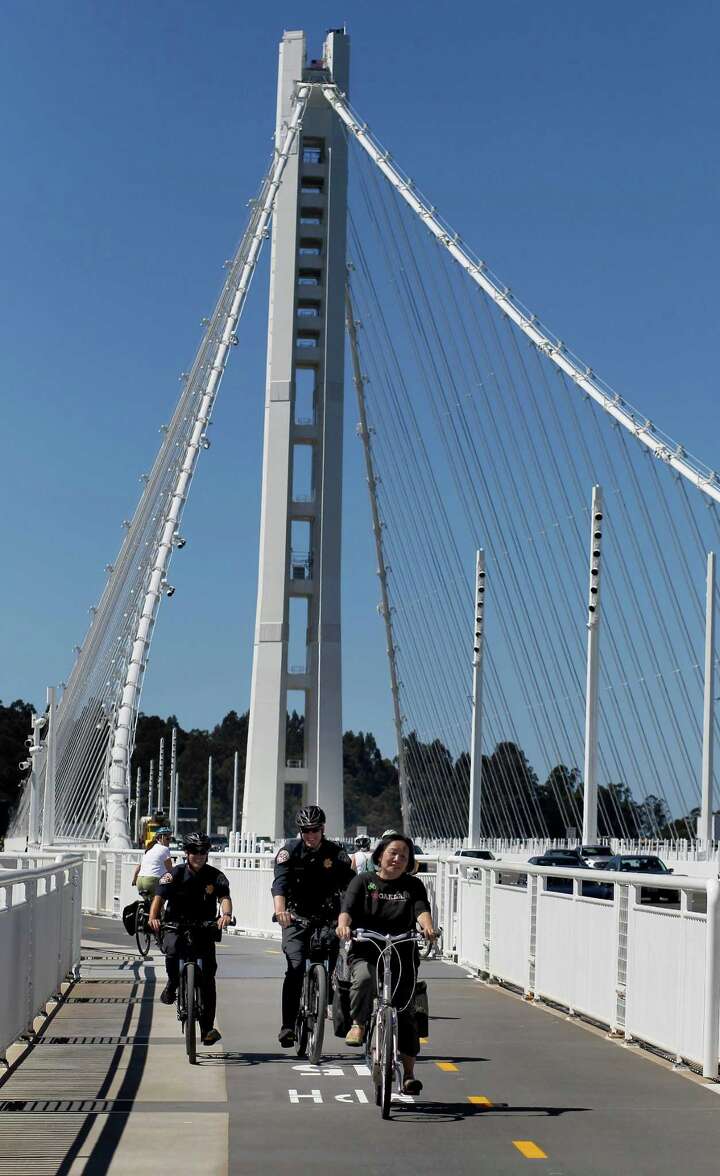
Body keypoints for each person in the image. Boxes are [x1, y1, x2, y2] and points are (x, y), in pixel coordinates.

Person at [337, 833, 437, 1096]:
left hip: (402, 951)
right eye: (393, 853)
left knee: (405, 1012)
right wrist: (344, 925)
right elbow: (347, 909)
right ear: (379, 855)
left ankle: (410, 1074)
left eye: (404, 856)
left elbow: (421, 910)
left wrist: (427, 928)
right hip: (367, 948)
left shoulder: (412, 885)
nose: (398, 859)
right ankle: (358, 1024)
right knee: (366, 979)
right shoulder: (363, 881)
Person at [272, 805, 355, 1047]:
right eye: (306, 830)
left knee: (330, 963)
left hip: (328, 918)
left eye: (315, 830)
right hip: (295, 917)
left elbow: (350, 889)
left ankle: (326, 1002)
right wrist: (280, 911)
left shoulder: (337, 854)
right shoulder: (288, 852)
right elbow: (279, 885)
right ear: (300, 831)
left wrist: (348, 916)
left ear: (323, 829)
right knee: (295, 967)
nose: (311, 835)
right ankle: (288, 1026)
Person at [149, 832, 233, 1047]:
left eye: (203, 851)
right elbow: (159, 896)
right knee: (172, 950)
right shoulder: (174, 874)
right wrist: (153, 918)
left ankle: (207, 1029)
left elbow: (224, 897)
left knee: (207, 980)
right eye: (194, 851)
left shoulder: (216, 876)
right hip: (176, 924)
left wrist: (225, 914)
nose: (199, 855)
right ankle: (172, 984)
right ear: (186, 853)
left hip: (204, 926)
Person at [131, 827, 173, 901]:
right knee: (160, 903)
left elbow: (138, 867)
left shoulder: (149, 850)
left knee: (149, 905)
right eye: (168, 839)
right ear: (160, 838)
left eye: (170, 839)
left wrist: (134, 881)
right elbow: (170, 870)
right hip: (152, 881)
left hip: (140, 881)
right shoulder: (165, 849)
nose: (169, 841)